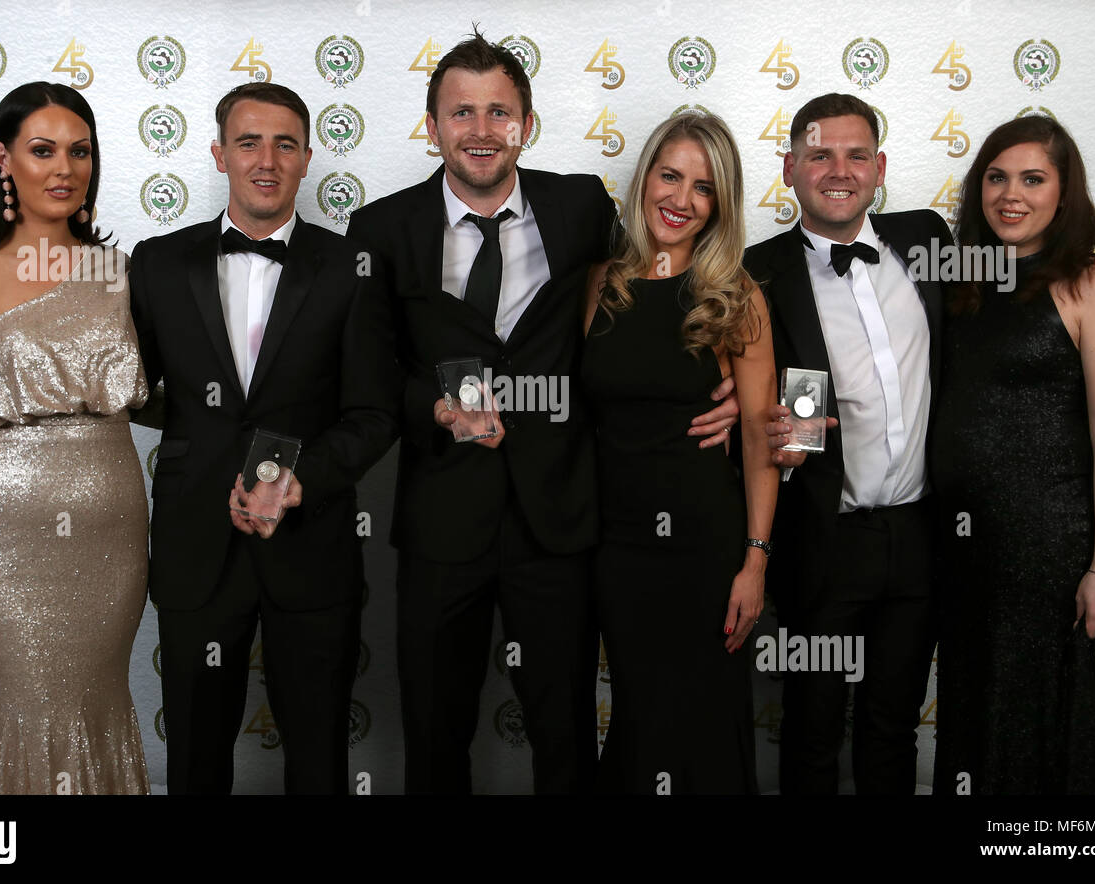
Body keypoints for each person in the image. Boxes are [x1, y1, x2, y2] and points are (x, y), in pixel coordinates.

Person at [0, 82, 401, 794]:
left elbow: (376, 414)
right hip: (195, 547)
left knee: (319, 759)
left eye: (285, 143)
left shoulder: (353, 269)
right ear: (219, 153)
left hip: (313, 551)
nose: (266, 160)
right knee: (194, 758)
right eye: (248, 141)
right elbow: (119, 385)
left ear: (309, 159)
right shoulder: (156, 264)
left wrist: (303, 478)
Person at [346, 33, 739, 794]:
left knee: (564, 736)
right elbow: (370, 379)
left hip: (557, 522)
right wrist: (433, 406)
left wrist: (730, 385)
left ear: (527, 123)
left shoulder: (580, 207)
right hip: (441, 522)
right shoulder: (383, 230)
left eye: (501, 111)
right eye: (462, 112)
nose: (482, 130)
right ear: (431, 127)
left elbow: (662, 297)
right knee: (435, 733)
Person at [0, 81, 149, 793]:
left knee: (92, 706)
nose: (64, 168)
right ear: (3, 159)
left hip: (111, 541)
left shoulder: (120, 274)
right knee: (12, 707)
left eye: (80, 151)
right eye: (42, 150)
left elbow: (163, 392)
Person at [747, 93, 952, 794]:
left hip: (921, 530)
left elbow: (1005, 307)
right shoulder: (757, 270)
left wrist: (1085, 273)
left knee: (894, 726)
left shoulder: (929, 238)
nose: (839, 170)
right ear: (790, 169)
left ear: (880, 166)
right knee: (811, 728)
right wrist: (757, 425)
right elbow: (730, 379)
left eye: (856, 154)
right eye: (819, 154)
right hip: (822, 536)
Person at [930, 116, 1095, 794]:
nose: (1010, 194)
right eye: (996, 177)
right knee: (972, 711)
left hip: (1046, 550)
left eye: (1032, 179)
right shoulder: (956, 280)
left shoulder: (1093, 289)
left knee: (1040, 717)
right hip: (959, 549)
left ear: (1064, 191)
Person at [581, 111, 776, 793]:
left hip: (706, 547)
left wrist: (755, 560)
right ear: (644, 180)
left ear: (720, 205)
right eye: (670, 175)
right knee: (638, 718)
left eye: (703, 187)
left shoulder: (736, 296)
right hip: (616, 548)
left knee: (707, 721)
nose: (680, 199)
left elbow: (759, 439)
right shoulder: (600, 283)